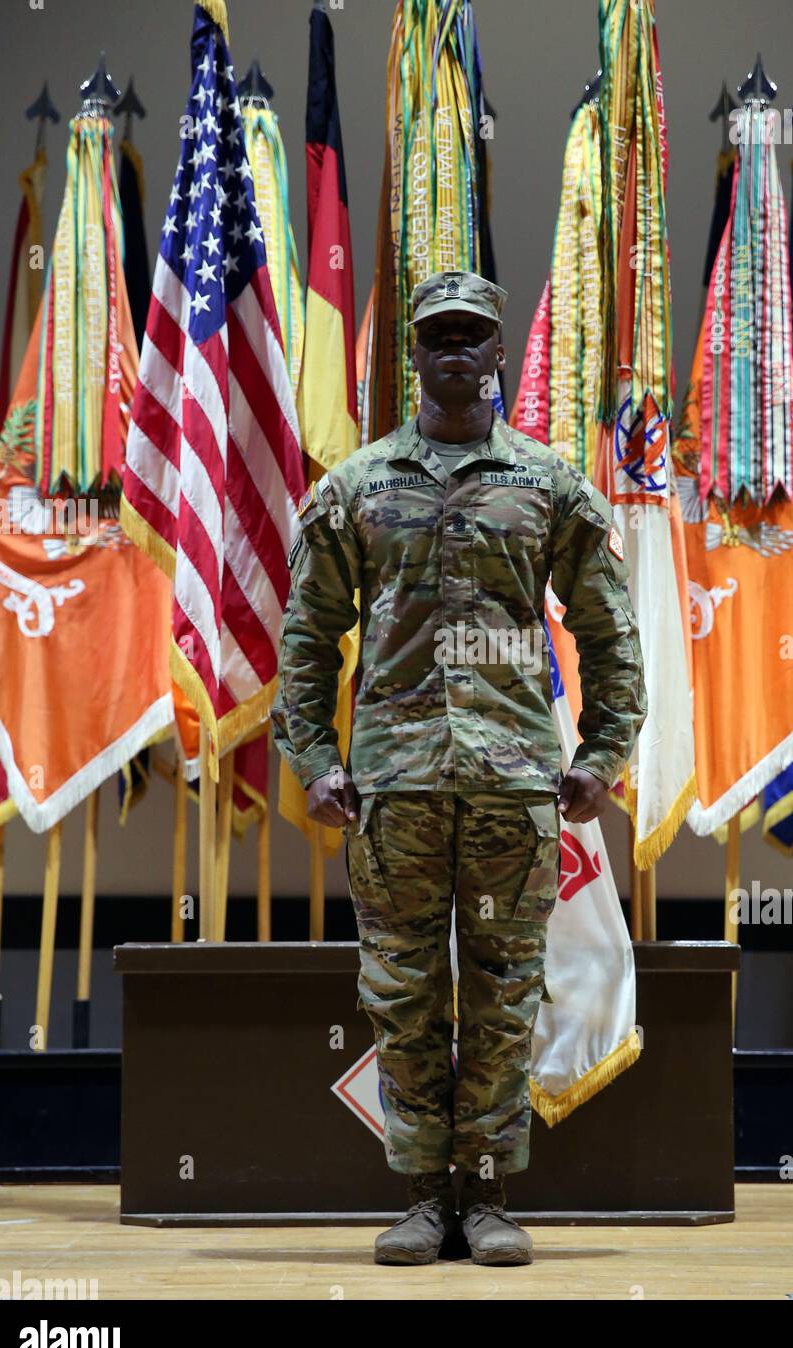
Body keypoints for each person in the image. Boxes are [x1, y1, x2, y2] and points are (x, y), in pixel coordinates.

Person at [271, 269, 646, 1267]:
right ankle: (416, 1196)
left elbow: (611, 633)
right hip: (391, 789)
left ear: (496, 355)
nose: (450, 351)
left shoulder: (548, 486)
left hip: (512, 784)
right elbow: (306, 641)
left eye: (469, 337)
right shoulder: (354, 488)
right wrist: (312, 758)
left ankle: (487, 1196)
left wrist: (604, 751)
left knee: (504, 990)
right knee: (401, 992)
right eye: (435, 335)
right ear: (415, 354)